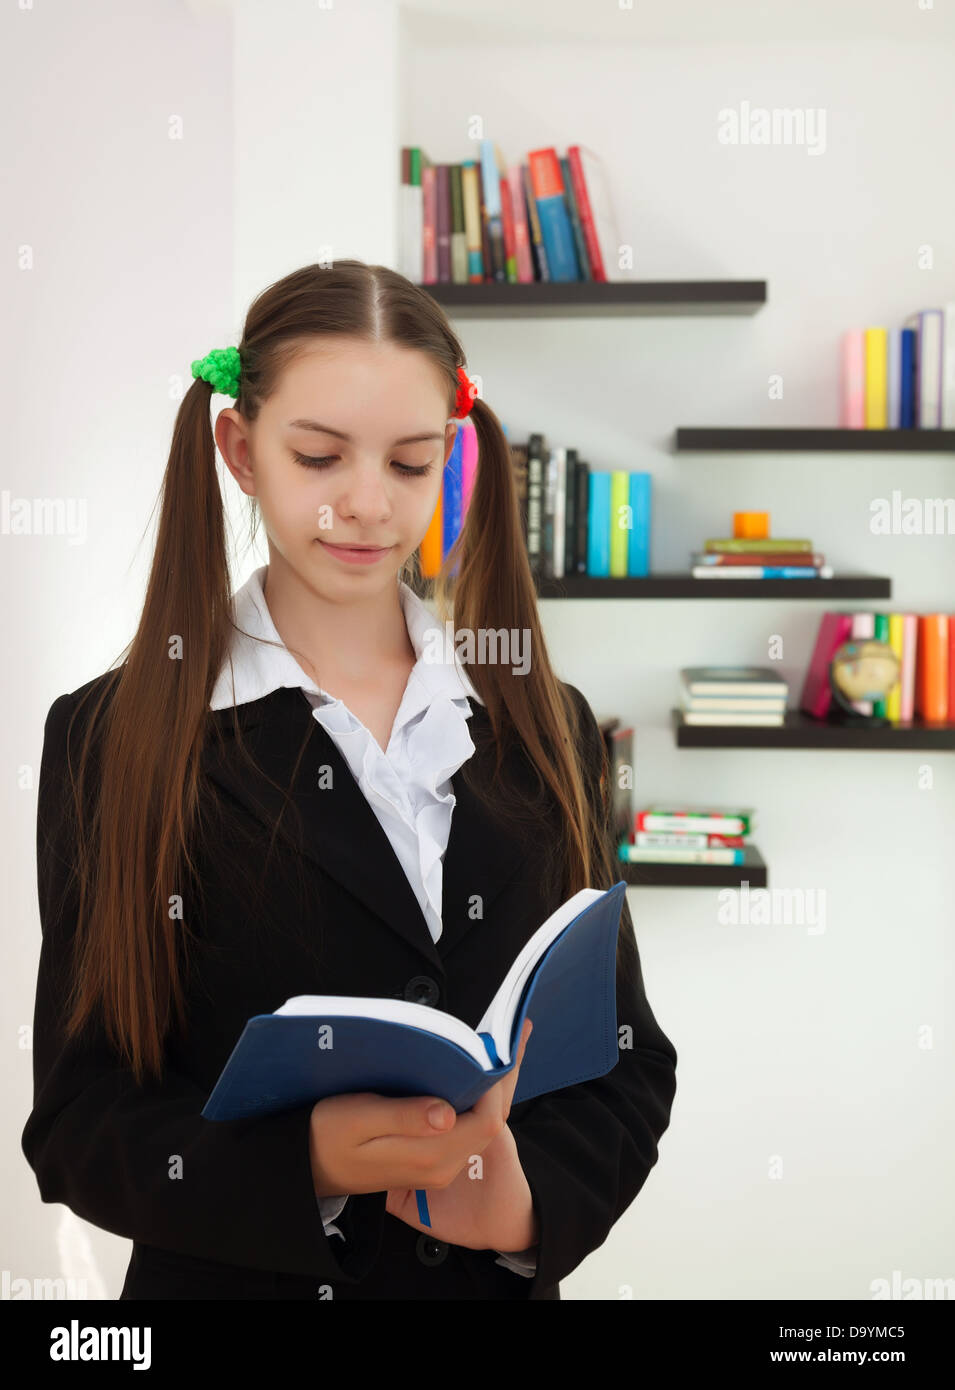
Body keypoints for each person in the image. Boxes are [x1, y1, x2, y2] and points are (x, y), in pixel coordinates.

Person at [21, 259, 677, 1300]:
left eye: (411, 464)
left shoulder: (547, 723)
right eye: (319, 456)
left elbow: (627, 1060)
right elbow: (79, 1120)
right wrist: (306, 1161)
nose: (367, 505)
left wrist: (523, 1204)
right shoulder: (113, 736)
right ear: (240, 449)